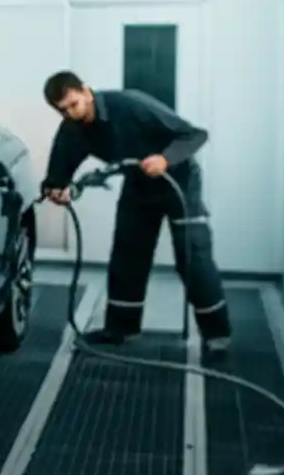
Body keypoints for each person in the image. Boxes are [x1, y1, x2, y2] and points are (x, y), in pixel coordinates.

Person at [39, 71, 231, 353]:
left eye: (73, 104)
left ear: (86, 91)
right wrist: (54, 188)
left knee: (192, 259)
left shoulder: (131, 105)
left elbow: (194, 134)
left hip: (178, 181)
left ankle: (217, 335)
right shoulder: (72, 126)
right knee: (127, 254)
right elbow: (59, 167)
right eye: (63, 110)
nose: (71, 114)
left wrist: (165, 159)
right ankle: (121, 329)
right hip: (139, 183)